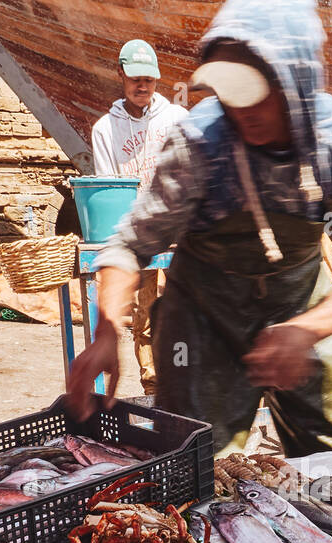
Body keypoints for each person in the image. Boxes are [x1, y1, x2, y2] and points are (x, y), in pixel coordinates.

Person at [65, 0, 332, 458]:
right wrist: (106, 333)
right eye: (229, 89)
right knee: (197, 465)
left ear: (296, 82)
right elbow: (129, 245)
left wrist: (304, 331)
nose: (241, 107)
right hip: (202, 312)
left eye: (255, 89)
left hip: (302, 303)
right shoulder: (198, 141)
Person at [90, 40, 189, 391]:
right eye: (135, 78)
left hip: (180, 229)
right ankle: (153, 389)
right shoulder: (105, 129)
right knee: (144, 316)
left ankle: (193, 387)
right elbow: (108, 188)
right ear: (120, 74)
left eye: (149, 78)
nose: (142, 86)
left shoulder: (178, 119)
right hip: (139, 234)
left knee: (190, 311)